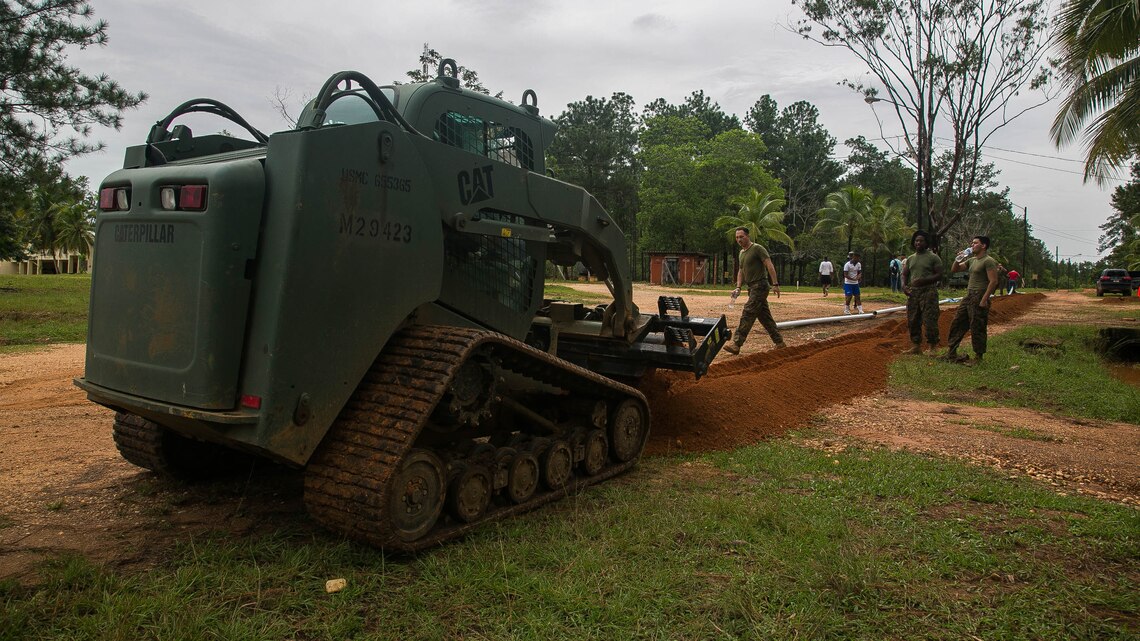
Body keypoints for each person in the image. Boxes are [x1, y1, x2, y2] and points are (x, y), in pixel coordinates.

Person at [724, 227, 785, 354]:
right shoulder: (741, 253)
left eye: (741, 237)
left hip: (760, 286)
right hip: (751, 287)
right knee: (765, 317)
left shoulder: (757, 248)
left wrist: (775, 283)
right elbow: (741, 271)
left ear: (748, 236)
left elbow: (769, 264)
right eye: (737, 237)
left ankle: (736, 344)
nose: (739, 239)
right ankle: (780, 342)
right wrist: (738, 287)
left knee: (748, 312)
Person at [945, 236, 1000, 365]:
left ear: (983, 246)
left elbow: (993, 281)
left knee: (977, 326)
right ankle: (951, 351)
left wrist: (984, 299)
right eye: (972, 243)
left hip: (979, 295)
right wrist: (958, 259)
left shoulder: (988, 261)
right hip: (969, 295)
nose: (972, 245)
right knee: (957, 322)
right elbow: (955, 269)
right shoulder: (971, 260)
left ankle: (978, 356)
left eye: (975, 243)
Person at [900, 230, 943, 354]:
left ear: (926, 243)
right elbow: (904, 274)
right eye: (916, 241)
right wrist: (903, 286)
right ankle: (916, 346)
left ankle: (933, 347)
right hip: (914, 293)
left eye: (921, 241)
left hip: (928, 292)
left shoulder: (933, 257)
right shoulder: (910, 258)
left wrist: (923, 280)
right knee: (912, 319)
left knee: (929, 319)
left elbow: (939, 275)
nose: (918, 243)